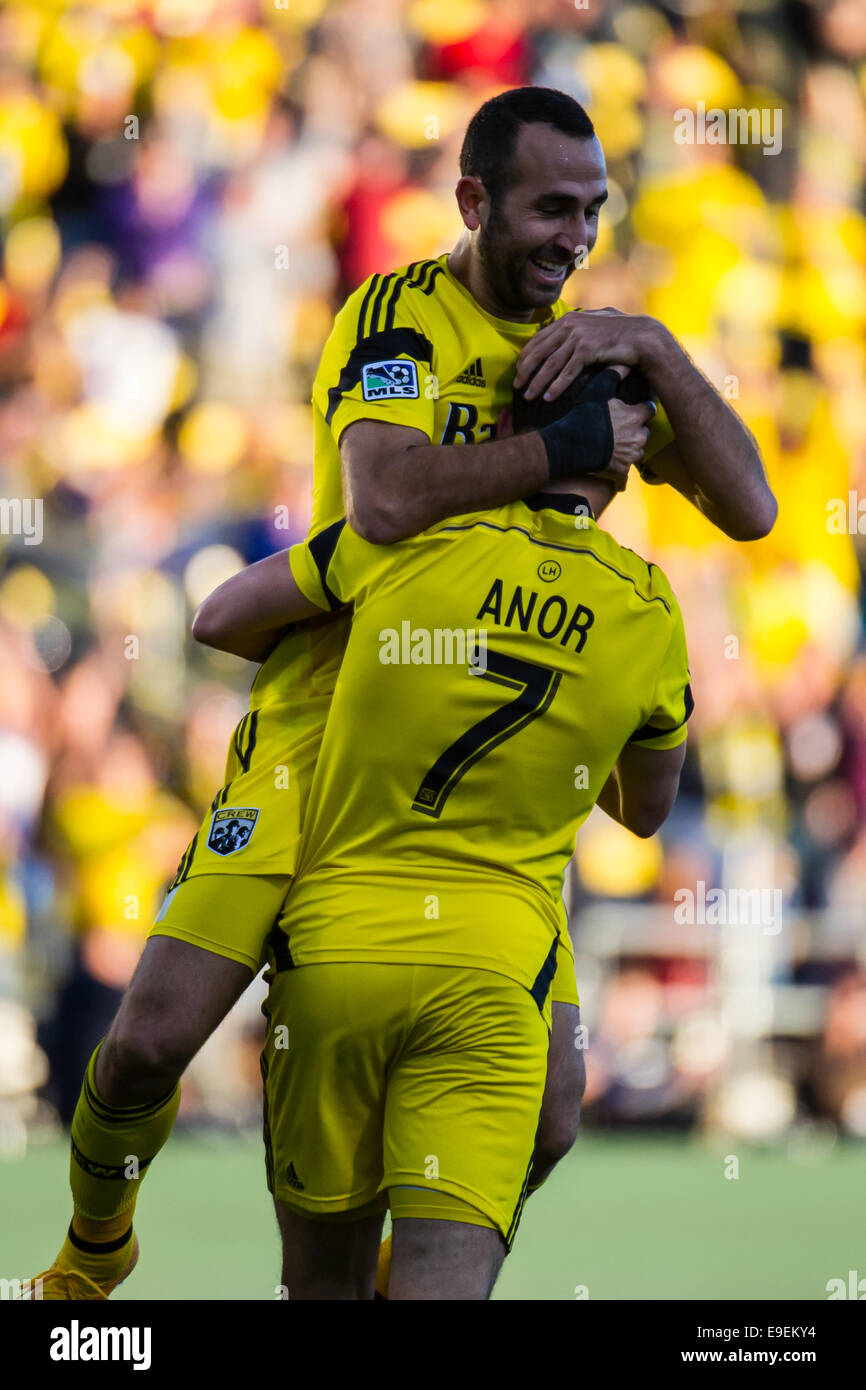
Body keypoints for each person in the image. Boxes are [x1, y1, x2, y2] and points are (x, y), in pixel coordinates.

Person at [23, 86, 774, 1299]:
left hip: (464, 801)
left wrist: (653, 343)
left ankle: (391, 1270)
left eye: (591, 209)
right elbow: (379, 498)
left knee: (552, 1117)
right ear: (471, 202)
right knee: (147, 1040)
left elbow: (749, 507)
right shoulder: (400, 316)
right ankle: (91, 1248)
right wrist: (561, 453)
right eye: (546, 208)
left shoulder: (585, 354)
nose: (571, 235)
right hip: (316, 739)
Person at [191, 367, 693, 1298]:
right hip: (497, 972)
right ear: (621, 464)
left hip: (338, 953)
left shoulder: (408, 539)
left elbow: (217, 618)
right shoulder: (651, 610)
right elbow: (647, 808)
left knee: (320, 1289)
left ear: (507, 429)